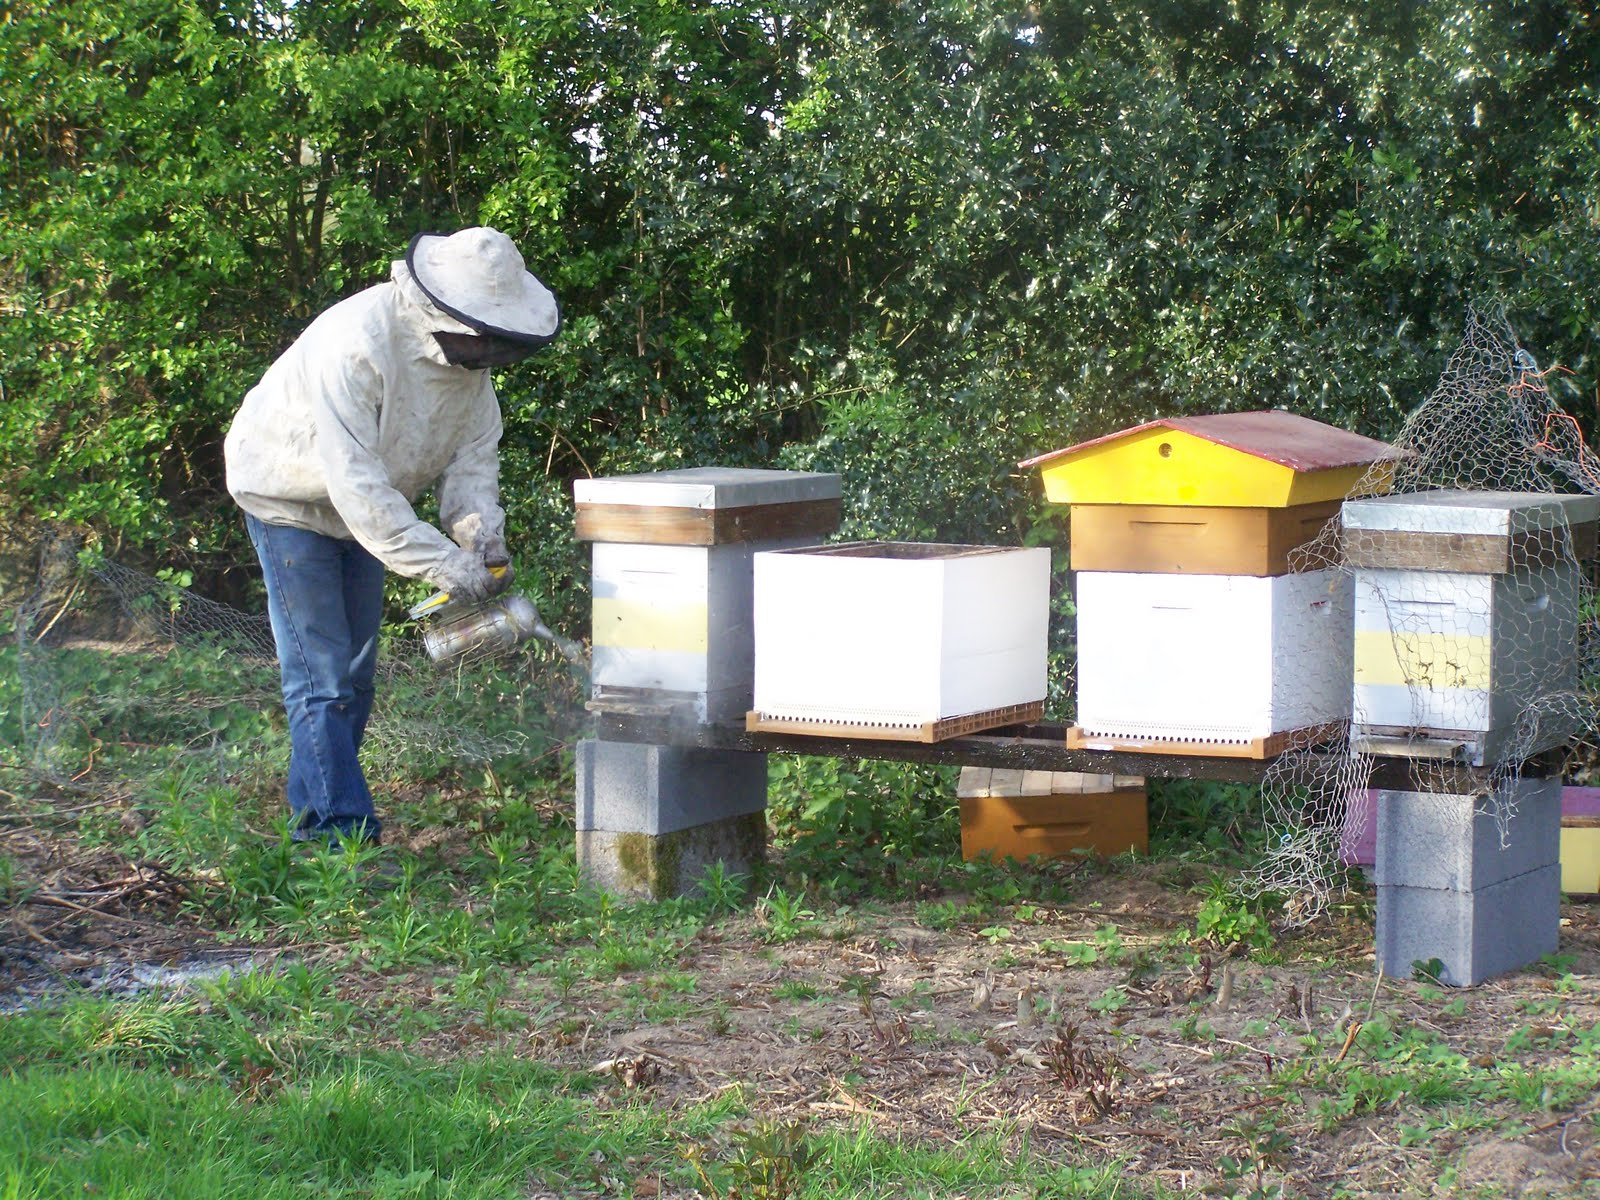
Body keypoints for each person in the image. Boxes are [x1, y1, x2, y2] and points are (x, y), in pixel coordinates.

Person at [224, 227, 560, 845]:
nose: (492, 354)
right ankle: (341, 837)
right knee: (321, 678)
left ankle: (314, 816)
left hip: (373, 516)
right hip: (290, 502)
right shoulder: (356, 343)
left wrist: (481, 538)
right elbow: (354, 483)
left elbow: (473, 462)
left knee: (354, 678)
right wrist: (442, 563)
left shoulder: (468, 368)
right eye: (486, 339)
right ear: (446, 316)